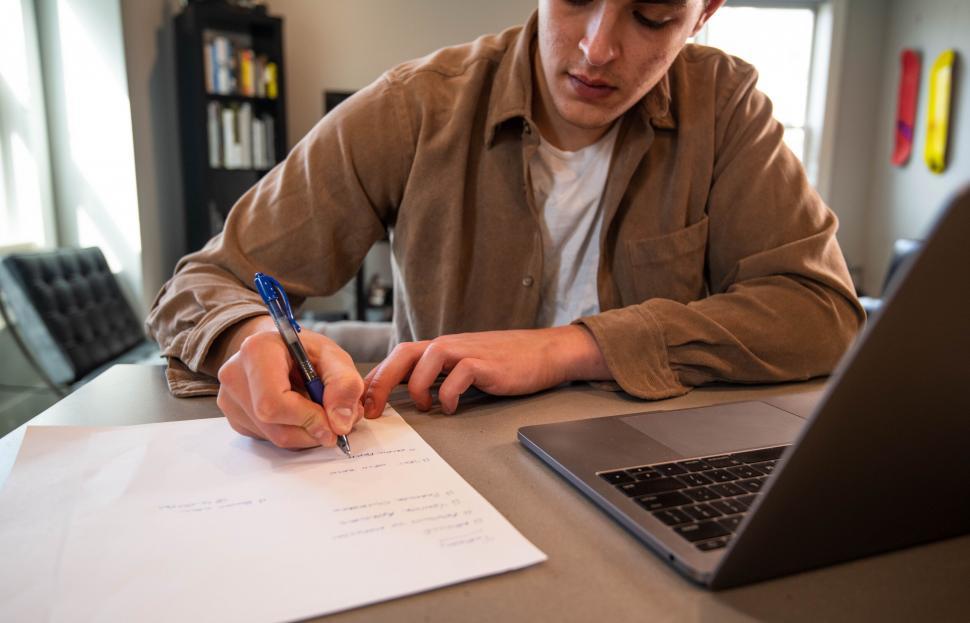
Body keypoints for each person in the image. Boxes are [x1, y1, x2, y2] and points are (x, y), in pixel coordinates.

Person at [147, 0, 865, 450]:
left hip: (651, 466)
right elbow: (205, 282)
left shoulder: (725, 107)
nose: (598, 48)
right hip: (445, 480)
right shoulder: (416, 107)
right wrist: (253, 336)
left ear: (703, 12)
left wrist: (570, 348)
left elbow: (822, 312)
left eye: (651, 15)